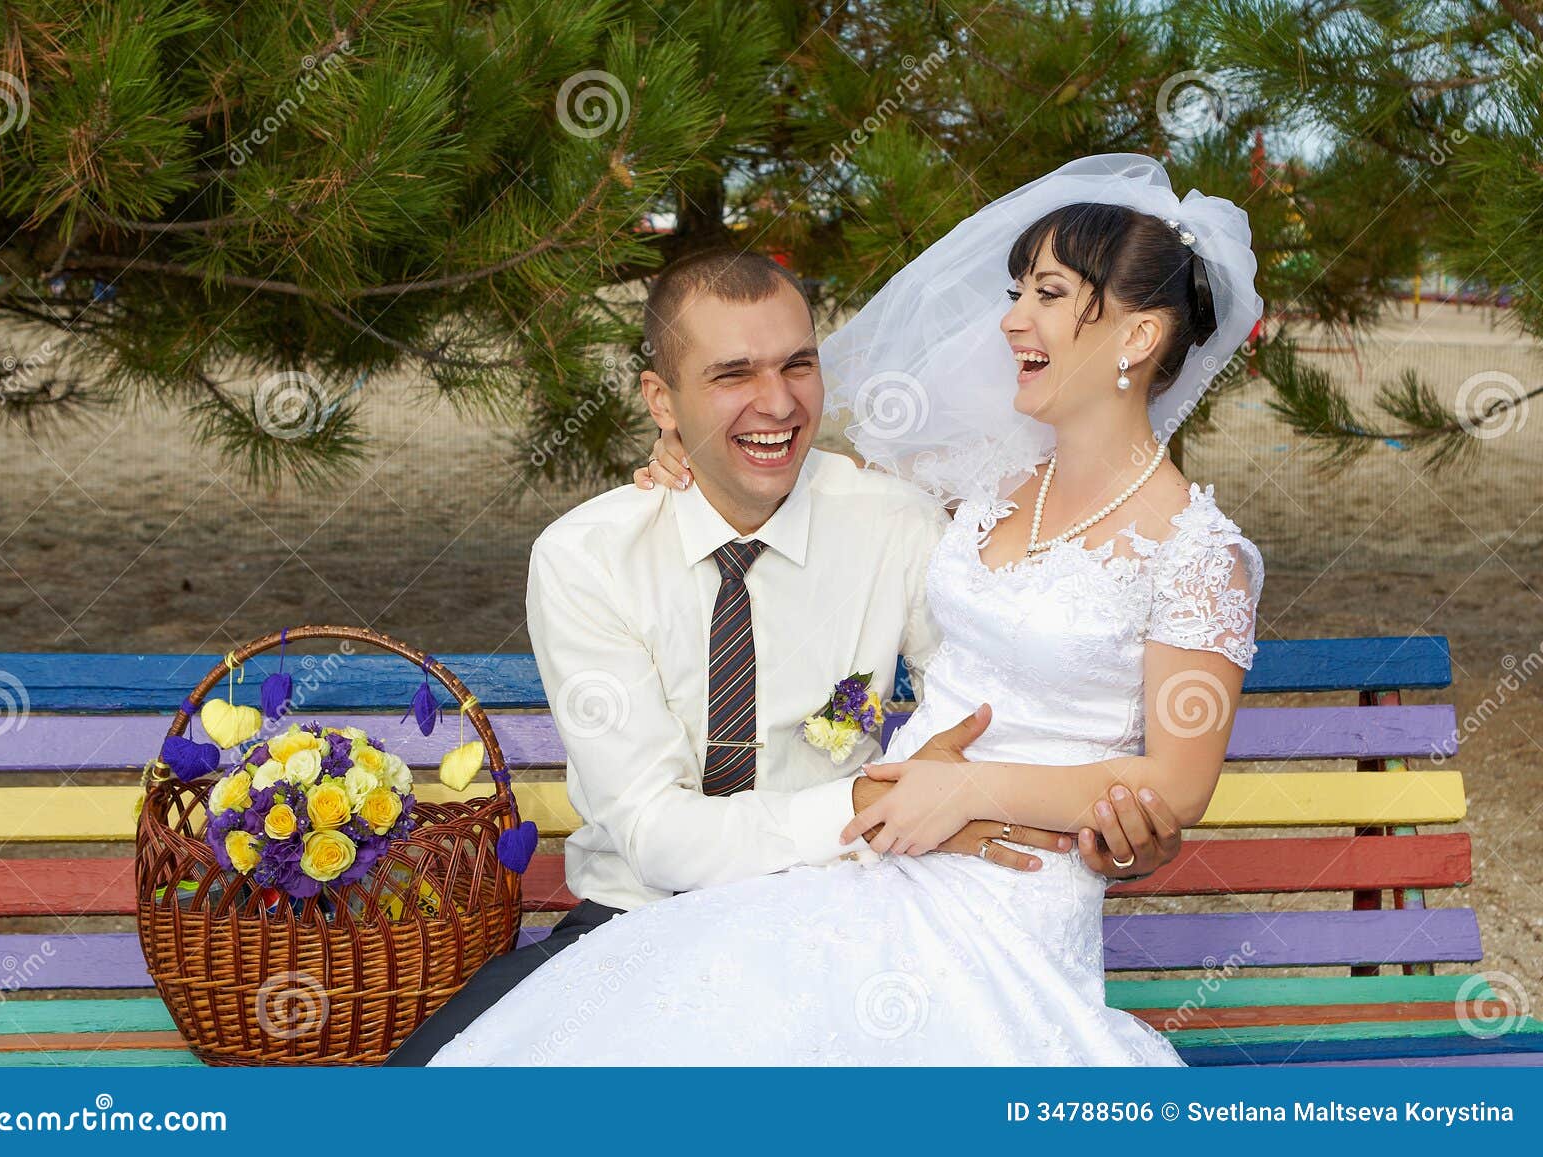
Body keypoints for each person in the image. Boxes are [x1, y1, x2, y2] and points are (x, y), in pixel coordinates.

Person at [426, 156, 1265, 1066]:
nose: (777, 403)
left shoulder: (920, 518)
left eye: (798, 365)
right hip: (674, 902)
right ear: (662, 405)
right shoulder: (595, 554)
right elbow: (659, 835)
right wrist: (887, 803)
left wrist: (1102, 825)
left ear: (1137, 336)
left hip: (916, 889)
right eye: (731, 377)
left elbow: (1096, 748)